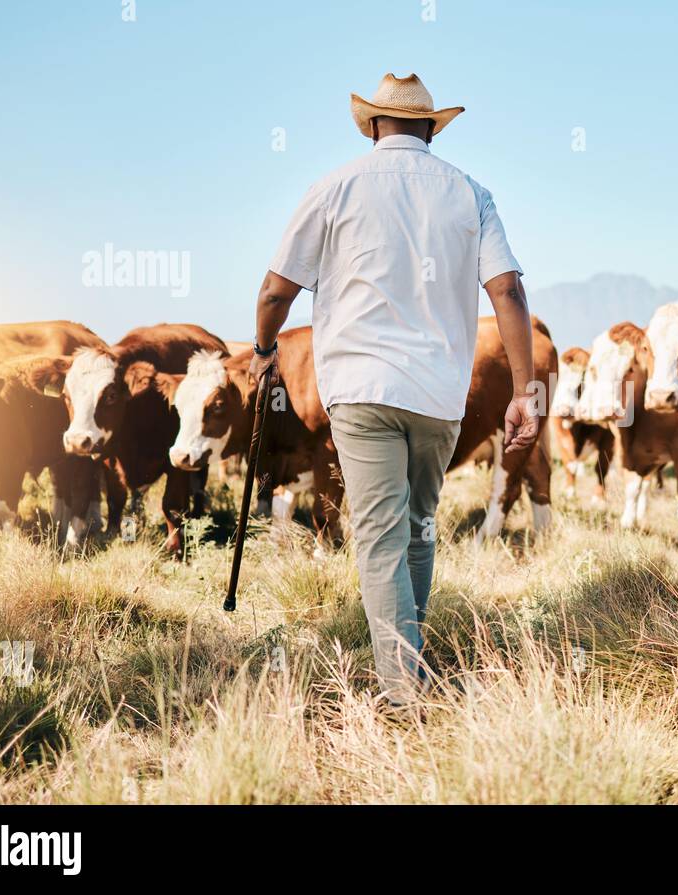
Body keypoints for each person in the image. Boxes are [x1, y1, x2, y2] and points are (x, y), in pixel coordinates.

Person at [250, 72, 539, 704]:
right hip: (440, 392)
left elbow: (276, 291)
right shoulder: (471, 192)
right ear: (432, 129)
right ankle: (410, 662)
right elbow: (509, 291)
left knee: (379, 535)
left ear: (373, 125)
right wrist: (525, 392)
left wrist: (265, 349)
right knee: (417, 526)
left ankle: (401, 692)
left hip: (359, 387)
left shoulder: (333, 187)